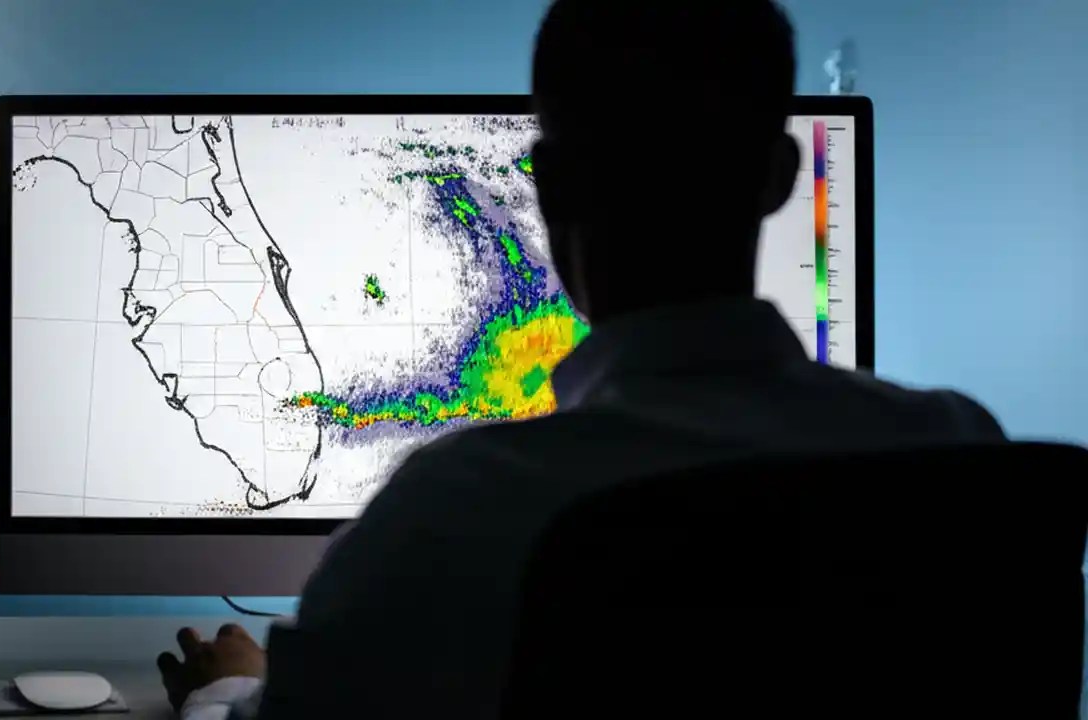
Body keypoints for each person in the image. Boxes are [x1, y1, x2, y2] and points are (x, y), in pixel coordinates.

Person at [158, 1, 1007, 718]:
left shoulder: (449, 510)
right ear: (782, 178)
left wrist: (224, 692)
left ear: (550, 186)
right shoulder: (960, 457)